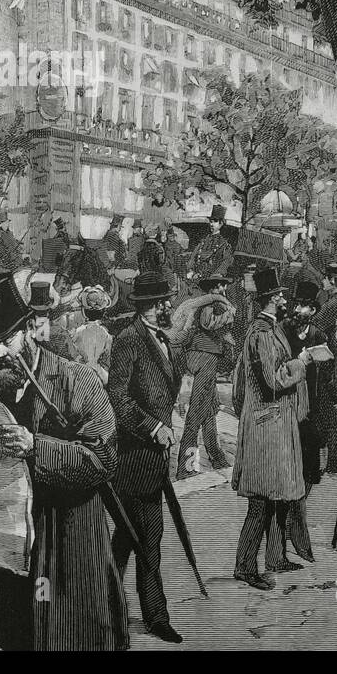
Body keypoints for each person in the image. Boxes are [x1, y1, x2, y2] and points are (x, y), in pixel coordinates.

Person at [0, 273, 129, 651]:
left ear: (30, 330)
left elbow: (104, 457)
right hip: (12, 539)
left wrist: (36, 447)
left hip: (67, 533)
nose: (3, 354)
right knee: (16, 634)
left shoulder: (76, 379)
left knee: (67, 634)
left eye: (7, 342)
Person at [108, 271, 221, 643]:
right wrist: (154, 426)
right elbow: (118, 400)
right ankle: (153, 616)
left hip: (153, 459)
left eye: (165, 302)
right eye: (158, 304)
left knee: (127, 541)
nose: (165, 307)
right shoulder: (128, 341)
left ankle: (106, 606)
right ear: (143, 307)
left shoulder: (165, 341)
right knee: (147, 540)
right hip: (133, 456)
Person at [232, 270, 315, 589]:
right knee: (261, 502)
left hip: (276, 423)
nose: (285, 299)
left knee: (277, 497)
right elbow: (273, 380)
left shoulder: (270, 328)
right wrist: (302, 362)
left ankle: (275, 557)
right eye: (280, 295)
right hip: (267, 424)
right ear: (271, 299)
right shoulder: (262, 332)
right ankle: (244, 565)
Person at [280, 280, 337, 566]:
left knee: (309, 471)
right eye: (297, 306)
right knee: (290, 469)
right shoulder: (282, 331)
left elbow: (330, 370)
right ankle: (291, 528)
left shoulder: (319, 333)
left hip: (315, 405)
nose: (301, 310)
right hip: (289, 406)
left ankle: (294, 516)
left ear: (314, 309)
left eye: (307, 306)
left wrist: (336, 392)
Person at [179, 275, 236, 479]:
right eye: (221, 286)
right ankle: (186, 467)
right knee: (195, 414)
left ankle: (216, 454)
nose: (223, 289)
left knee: (209, 408)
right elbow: (208, 323)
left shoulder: (210, 303)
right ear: (213, 288)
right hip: (204, 357)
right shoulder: (209, 304)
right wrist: (229, 313)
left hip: (206, 356)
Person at [311, 264, 337, 474]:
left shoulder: (330, 305)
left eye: (326, 278)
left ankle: (332, 464)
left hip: (331, 362)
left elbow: (314, 328)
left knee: (330, 415)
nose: (323, 281)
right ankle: (332, 463)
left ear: (332, 281)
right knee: (332, 414)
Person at [69, 285, 114, 385]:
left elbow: (72, 355)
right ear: (102, 312)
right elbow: (108, 360)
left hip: (79, 374)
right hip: (99, 376)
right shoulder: (106, 335)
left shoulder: (76, 332)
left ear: (84, 312)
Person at [187, 203, 234, 285]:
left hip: (211, 281)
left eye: (215, 221)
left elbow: (228, 260)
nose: (211, 224)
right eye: (211, 221)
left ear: (221, 223)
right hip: (196, 278)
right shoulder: (203, 241)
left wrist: (218, 274)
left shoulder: (224, 244)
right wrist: (191, 270)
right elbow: (193, 256)